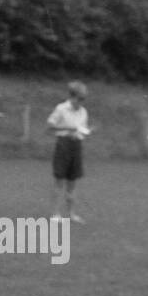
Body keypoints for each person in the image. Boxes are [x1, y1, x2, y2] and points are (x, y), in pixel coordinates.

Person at [46, 81, 91, 224]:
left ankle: (71, 214)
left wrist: (84, 133)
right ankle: (55, 214)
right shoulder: (61, 109)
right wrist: (68, 130)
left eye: (84, 99)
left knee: (73, 182)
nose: (82, 102)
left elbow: (82, 130)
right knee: (59, 180)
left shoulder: (83, 112)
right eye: (80, 98)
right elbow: (50, 128)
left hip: (76, 146)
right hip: (63, 146)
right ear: (72, 96)